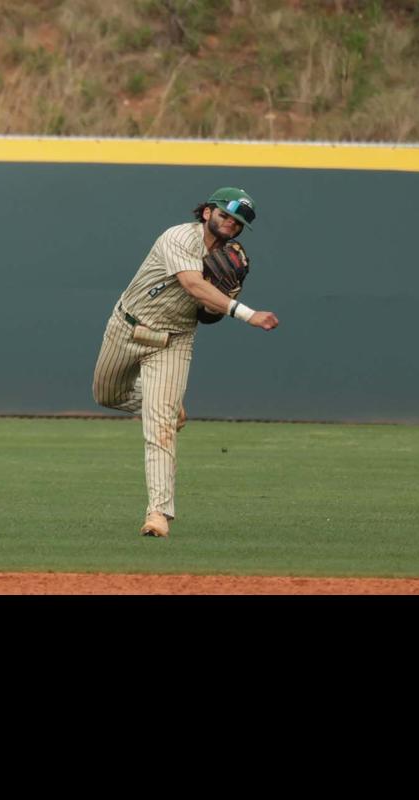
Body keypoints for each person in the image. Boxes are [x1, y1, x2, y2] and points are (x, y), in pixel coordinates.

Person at [92, 186, 280, 538]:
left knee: (159, 425)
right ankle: (168, 406)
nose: (230, 224)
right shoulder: (178, 236)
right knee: (106, 395)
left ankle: (159, 514)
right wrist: (247, 313)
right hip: (128, 327)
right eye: (225, 215)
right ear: (207, 212)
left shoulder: (232, 259)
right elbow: (193, 285)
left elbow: (208, 313)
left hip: (173, 341)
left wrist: (224, 297)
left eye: (237, 222)